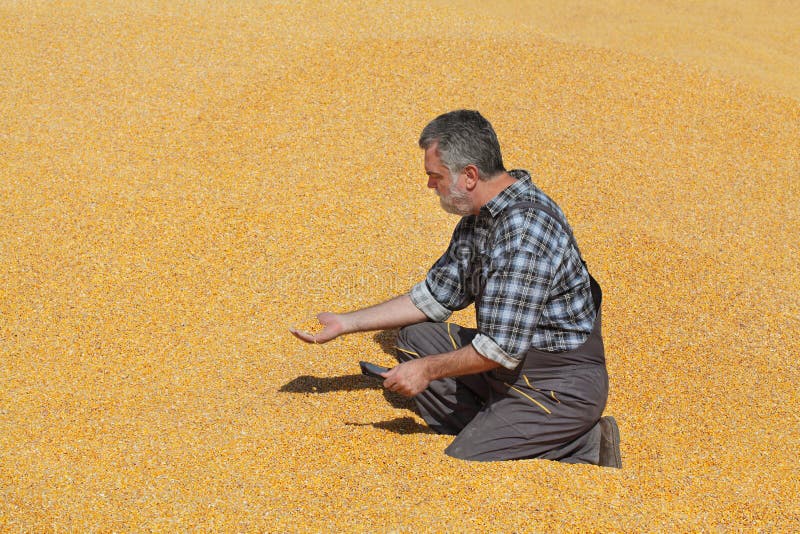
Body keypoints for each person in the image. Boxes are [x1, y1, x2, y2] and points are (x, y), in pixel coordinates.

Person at [291, 110, 621, 467]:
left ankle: (583, 444)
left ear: (469, 175)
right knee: (415, 338)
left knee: (465, 457)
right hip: (507, 361)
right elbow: (433, 296)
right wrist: (345, 323)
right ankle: (499, 419)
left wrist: (427, 371)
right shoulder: (479, 218)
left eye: (435, 176)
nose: (430, 185)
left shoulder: (523, 233)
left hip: (555, 383)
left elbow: (500, 349)